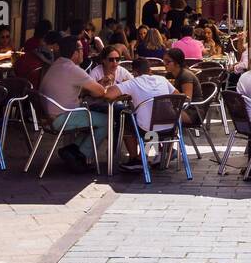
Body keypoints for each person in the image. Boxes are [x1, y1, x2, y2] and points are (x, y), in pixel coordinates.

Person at [37, 36, 108, 171]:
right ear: (75, 52)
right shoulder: (73, 69)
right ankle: (81, 155)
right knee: (107, 121)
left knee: (93, 120)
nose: (84, 52)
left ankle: (72, 150)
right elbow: (100, 92)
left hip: (49, 117)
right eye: (81, 49)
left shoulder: (56, 64)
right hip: (63, 118)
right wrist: (102, 86)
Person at [103, 56, 178, 171]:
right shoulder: (162, 79)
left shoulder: (133, 82)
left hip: (149, 128)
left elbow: (108, 95)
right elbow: (178, 96)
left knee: (127, 119)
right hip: (171, 126)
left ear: (135, 72)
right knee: (148, 121)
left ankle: (136, 159)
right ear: (150, 70)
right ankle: (152, 154)